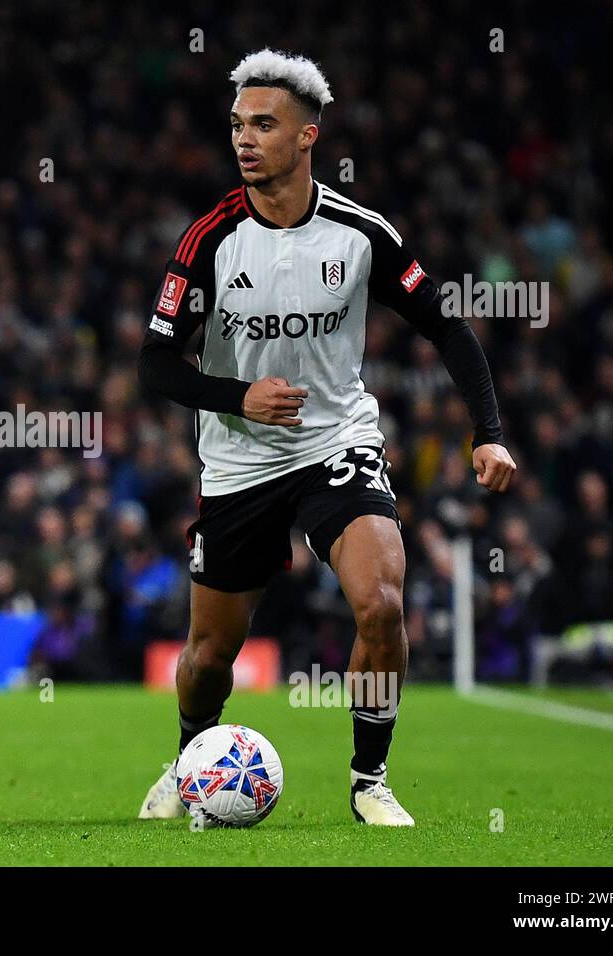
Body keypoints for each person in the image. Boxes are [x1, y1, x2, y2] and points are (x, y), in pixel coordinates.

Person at [136, 48, 515, 826]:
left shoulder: (360, 234)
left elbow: (448, 329)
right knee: (210, 655)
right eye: (238, 124)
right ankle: (188, 758)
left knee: (380, 602)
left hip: (334, 445)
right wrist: (239, 394)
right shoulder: (209, 239)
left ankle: (369, 779)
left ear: (308, 136)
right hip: (239, 463)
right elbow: (154, 366)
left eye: (264, 124)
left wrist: (489, 432)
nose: (244, 139)